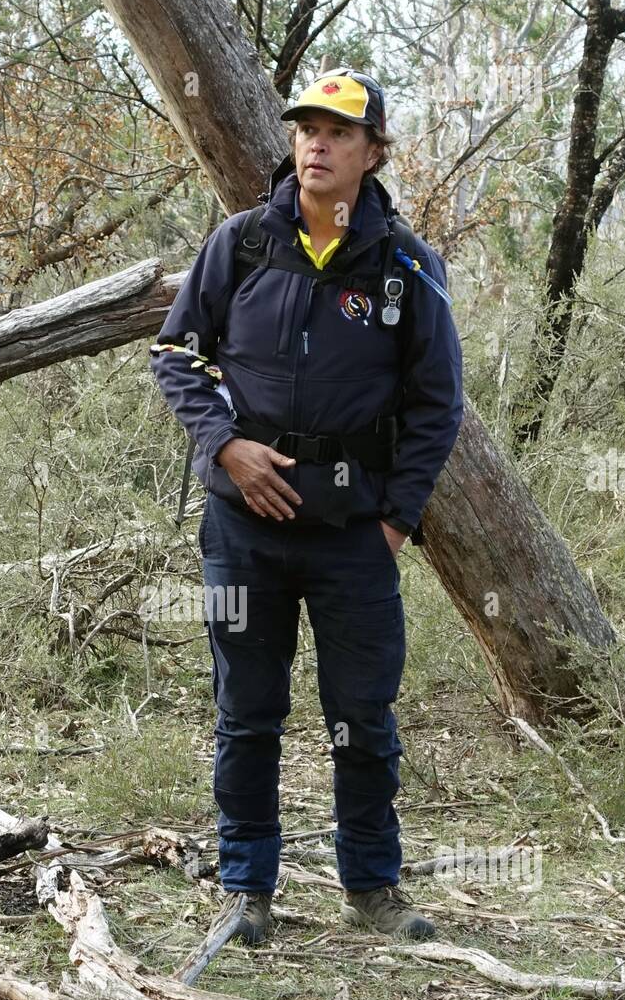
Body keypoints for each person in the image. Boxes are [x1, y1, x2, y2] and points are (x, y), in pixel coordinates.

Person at [149, 69, 463, 944]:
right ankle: (246, 891)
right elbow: (175, 355)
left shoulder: (405, 266)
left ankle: (373, 889)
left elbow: (439, 404)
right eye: (305, 129)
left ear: (372, 151)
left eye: (337, 131)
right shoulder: (243, 242)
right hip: (240, 534)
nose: (316, 144)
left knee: (362, 717)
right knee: (245, 713)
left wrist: (396, 518)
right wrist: (225, 445)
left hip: (354, 535)